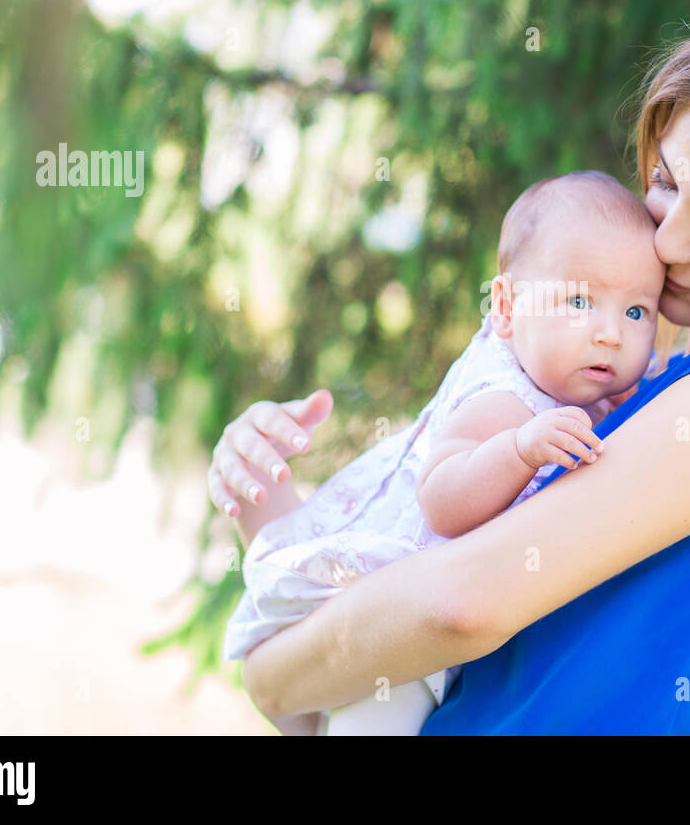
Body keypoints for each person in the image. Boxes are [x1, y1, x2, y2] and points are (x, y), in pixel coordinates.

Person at [207, 0, 690, 734]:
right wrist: (279, 527)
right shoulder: (673, 373)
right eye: (664, 183)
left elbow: (460, 603)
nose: (670, 241)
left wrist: (272, 672)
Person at [219, 171, 664, 734]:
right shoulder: (504, 400)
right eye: (579, 300)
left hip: (425, 626)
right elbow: (442, 500)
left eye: (636, 312)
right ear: (506, 306)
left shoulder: (573, 380)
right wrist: (518, 450)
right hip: (396, 624)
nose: (611, 334)